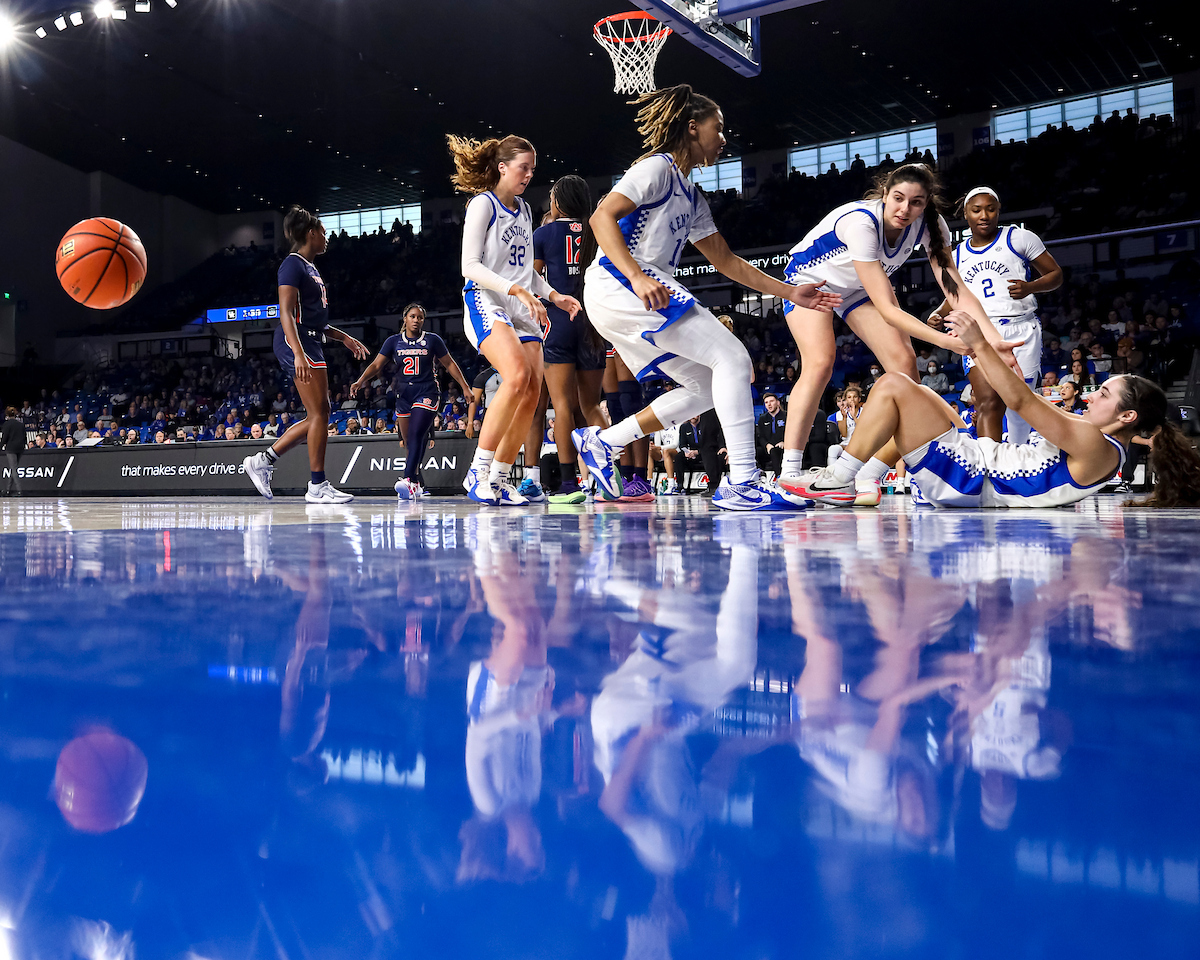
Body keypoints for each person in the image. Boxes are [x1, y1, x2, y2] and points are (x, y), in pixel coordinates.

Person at [572, 84, 840, 511]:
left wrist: (792, 292)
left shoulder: (692, 195)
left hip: (629, 291)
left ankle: (605, 441)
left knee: (708, 384)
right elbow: (601, 216)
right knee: (734, 359)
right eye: (720, 128)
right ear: (693, 127)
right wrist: (638, 277)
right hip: (620, 282)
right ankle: (743, 482)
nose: (724, 137)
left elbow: (728, 262)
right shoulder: (656, 169)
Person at [782, 311, 1200, 509]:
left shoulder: (1095, 443)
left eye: (1105, 394)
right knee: (914, 391)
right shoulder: (1102, 441)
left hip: (972, 479)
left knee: (892, 387)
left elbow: (1020, 401)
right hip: (977, 467)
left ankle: (839, 480)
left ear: (1127, 417)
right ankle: (868, 482)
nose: (1093, 396)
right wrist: (1001, 361)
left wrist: (980, 344)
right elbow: (1023, 396)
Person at [776, 163, 1016, 503]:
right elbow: (889, 310)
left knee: (906, 371)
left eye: (916, 202)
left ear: (926, 203)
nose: (905, 209)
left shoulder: (931, 226)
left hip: (858, 287)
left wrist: (992, 339)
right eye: (899, 199)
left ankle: (867, 477)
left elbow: (956, 288)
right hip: (810, 281)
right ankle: (789, 475)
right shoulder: (862, 224)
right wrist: (948, 342)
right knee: (820, 362)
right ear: (885, 194)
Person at [448, 133, 582, 505]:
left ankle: (501, 477)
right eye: (523, 168)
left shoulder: (523, 210)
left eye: (532, 169)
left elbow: (525, 273)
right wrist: (518, 292)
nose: (528, 175)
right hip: (485, 300)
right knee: (517, 376)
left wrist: (552, 294)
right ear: (502, 167)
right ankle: (478, 471)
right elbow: (470, 266)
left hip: (519, 305)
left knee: (533, 394)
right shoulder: (482, 205)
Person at [242, 205, 369, 502]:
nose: (327, 237)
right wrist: (298, 353)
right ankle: (316, 486)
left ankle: (263, 461)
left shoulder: (311, 268)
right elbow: (285, 312)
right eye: (323, 232)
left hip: (312, 339)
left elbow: (318, 321)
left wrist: (345, 338)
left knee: (320, 414)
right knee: (319, 413)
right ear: (311, 233)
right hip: (295, 340)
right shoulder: (292, 264)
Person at [930, 187, 1063, 444]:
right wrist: (939, 312)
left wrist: (1031, 286)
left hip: (1020, 329)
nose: (984, 215)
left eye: (990, 209)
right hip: (978, 333)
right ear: (965, 214)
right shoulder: (956, 255)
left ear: (998, 210)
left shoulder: (1019, 238)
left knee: (1019, 403)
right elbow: (957, 295)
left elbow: (1056, 275)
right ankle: (989, 466)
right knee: (988, 401)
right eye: (976, 210)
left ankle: (1017, 457)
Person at [532, 175, 607, 504]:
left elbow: (531, 280)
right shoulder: (598, 228)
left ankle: (567, 485)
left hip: (559, 320)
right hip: (594, 321)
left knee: (561, 405)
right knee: (590, 406)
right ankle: (610, 475)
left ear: (558, 203)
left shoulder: (544, 233)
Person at [350, 302, 473, 500]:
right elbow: (376, 365)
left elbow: (449, 363)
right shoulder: (393, 341)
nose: (416, 320)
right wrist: (360, 380)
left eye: (420, 317)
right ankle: (417, 482)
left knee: (417, 433)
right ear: (405, 319)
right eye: (413, 317)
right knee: (410, 441)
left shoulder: (433, 340)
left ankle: (408, 478)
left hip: (427, 392)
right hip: (403, 395)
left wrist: (465, 387)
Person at [756, 393, 786, 475]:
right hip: (768, 447)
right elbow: (761, 437)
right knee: (756, 451)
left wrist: (784, 442)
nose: (769, 404)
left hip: (783, 446)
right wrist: (767, 445)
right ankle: (759, 477)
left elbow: (792, 433)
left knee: (775, 452)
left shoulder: (786, 416)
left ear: (778, 403)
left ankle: (779, 477)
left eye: (771, 401)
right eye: (766, 402)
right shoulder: (762, 418)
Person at [2, 407, 24, 497]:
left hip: (11, 448)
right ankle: (8, 490)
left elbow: (4, 438)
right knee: (13, 468)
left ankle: (20, 491)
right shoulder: (20, 424)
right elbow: (24, 436)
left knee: (14, 469)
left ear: (7, 415)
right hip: (20, 448)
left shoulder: (7, 424)